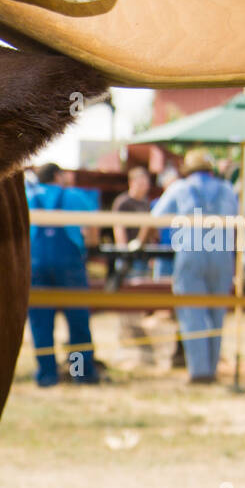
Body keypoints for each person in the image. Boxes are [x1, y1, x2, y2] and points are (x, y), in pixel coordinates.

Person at [150, 149, 239, 384]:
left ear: (188, 169)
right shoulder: (227, 189)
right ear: (211, 169)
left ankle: (200, 373)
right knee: (217, 313)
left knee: (192, 313)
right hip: (222, 254)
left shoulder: (180, 188)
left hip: (191, 252)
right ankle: (212, 368)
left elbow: (156, 216)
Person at [25, 163, 100, 387]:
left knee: (41, 324)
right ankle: (80, 373)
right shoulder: (73, 196)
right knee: (77, 322)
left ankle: (47, 375)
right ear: (57, 176)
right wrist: (89, 245)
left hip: (36, 264)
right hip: (69, 265)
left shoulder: (27, 196)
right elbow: (93, 228)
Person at [111, 166, 154, 279]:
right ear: (131, 182)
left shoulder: (146, 202)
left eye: (146, 184)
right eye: (141, 184)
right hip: (129, 255)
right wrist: (125, 252)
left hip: (143, 255)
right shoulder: (123, 202)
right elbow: (118, 228)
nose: (144, 187)